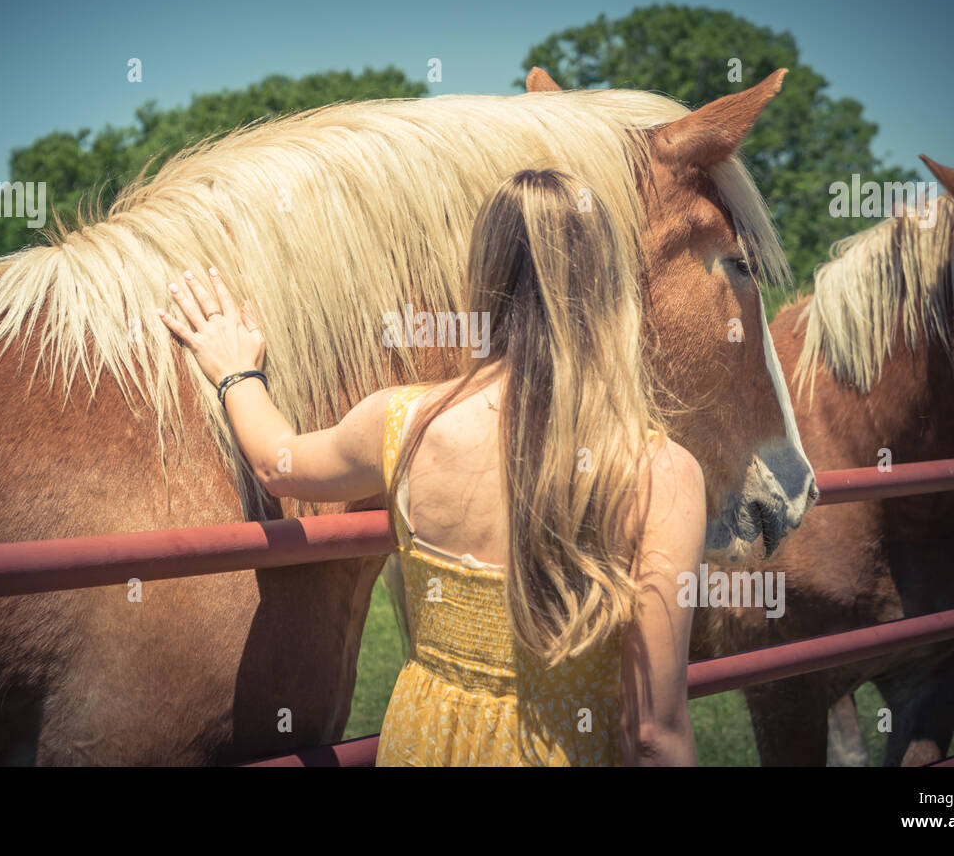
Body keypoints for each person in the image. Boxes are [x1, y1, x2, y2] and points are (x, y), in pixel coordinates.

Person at [158, 168, 706, 766]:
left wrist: (236, 370)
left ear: (480, 276)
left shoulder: (403, 423)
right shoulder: (663, 475)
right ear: (608, 284)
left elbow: (276, 463)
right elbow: (653, 731)